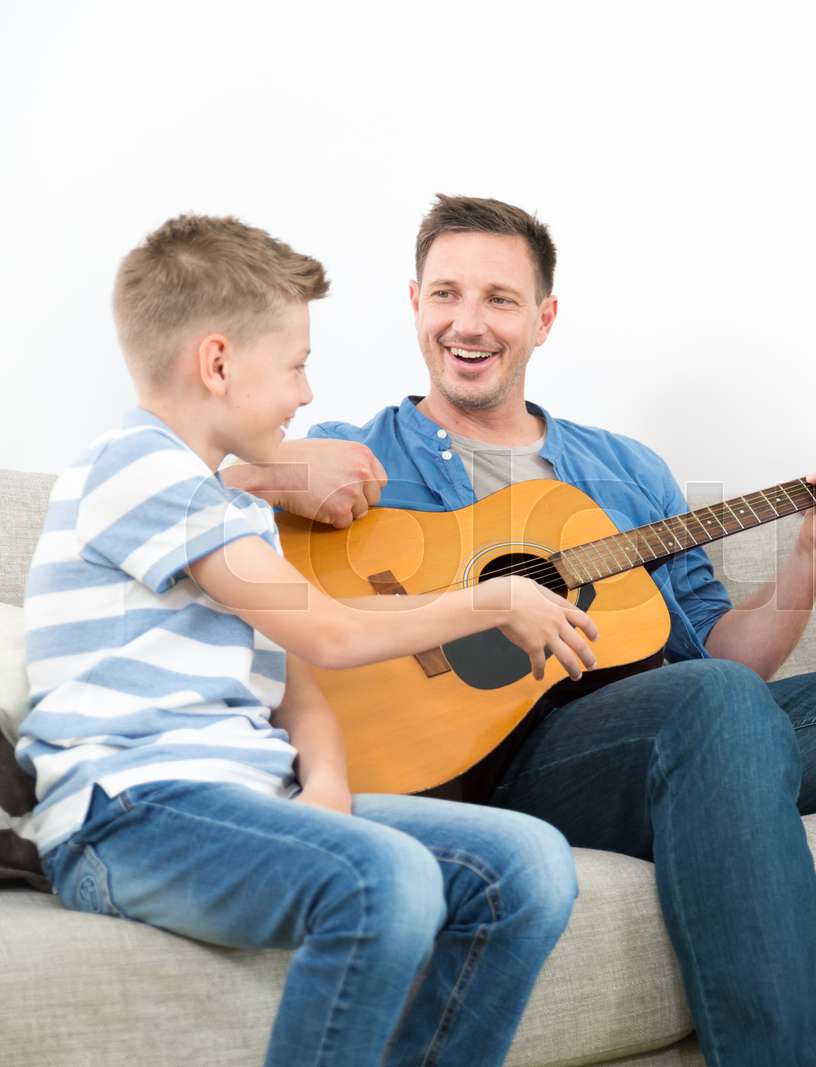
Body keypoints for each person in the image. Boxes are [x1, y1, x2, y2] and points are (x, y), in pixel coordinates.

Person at [223, 195, 816, 1066]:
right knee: (712, 704)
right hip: (503, 764)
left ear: (543, 318)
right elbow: (193, 487)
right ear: (415, 303)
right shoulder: (358, 453)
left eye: (500, 298)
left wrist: (812, 555)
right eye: (447, 293)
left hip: (692, 727)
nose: (469, 321)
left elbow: (732, 660)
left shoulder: (625, 470)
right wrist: (276, 464)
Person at [17, 215, 578, 1067]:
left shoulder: (237, 511)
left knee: (528, 865)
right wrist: (491, 597)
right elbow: (333, 630)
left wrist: (324, 785)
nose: (308, 395)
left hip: (246, 799)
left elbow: (301, 678)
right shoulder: (130, 466)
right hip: (128, 815)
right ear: (216, 363)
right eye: (297, 365)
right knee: (385, 882)